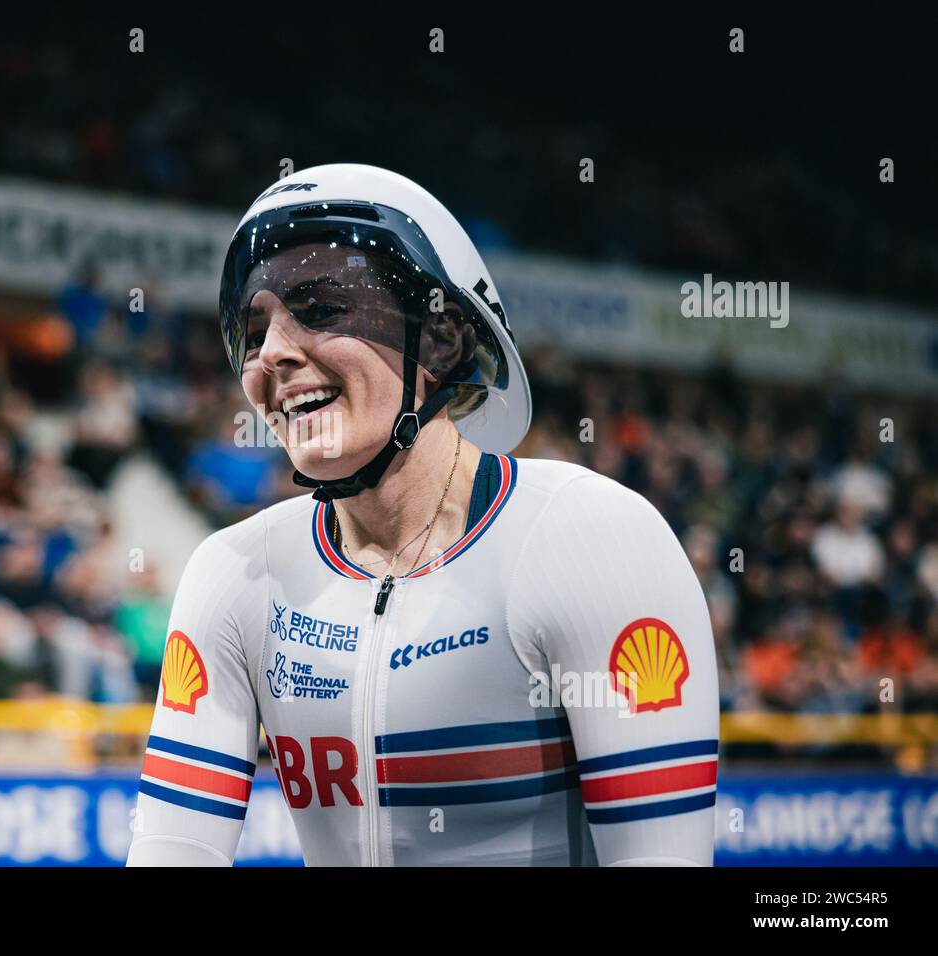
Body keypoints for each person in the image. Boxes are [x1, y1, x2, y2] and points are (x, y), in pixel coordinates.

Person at [128, 165, 719, 867]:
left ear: (439, 342)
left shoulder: (593, 537)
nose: (273, 355)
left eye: (319, 310)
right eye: (253, 331)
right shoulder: (232, 575)